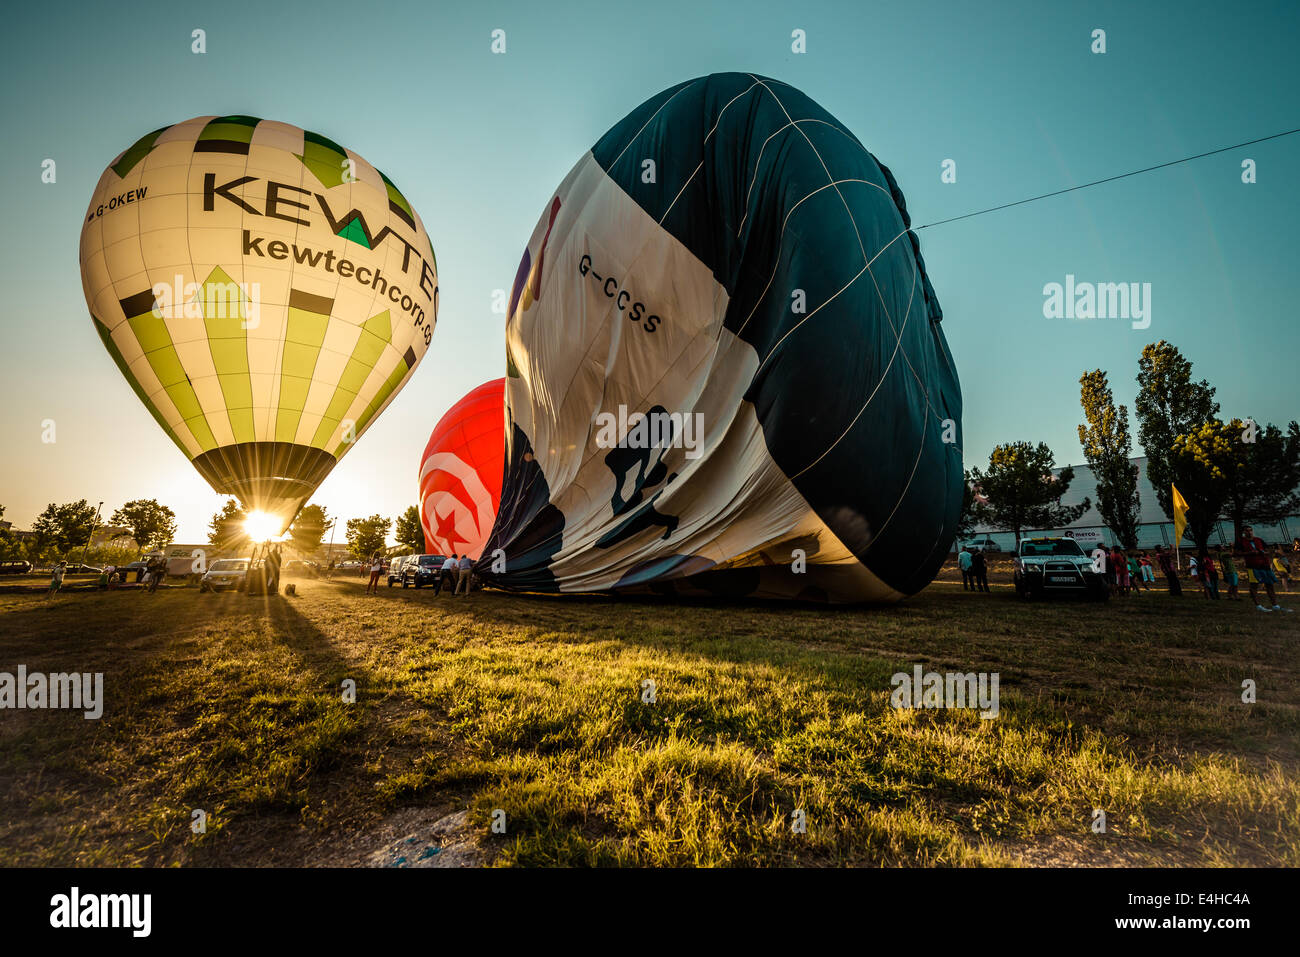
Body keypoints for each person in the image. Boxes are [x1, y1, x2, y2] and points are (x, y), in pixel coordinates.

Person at [1237, 525, 1290, 613]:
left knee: (1270, 585)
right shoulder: (1241, 542)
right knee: (1254, 585)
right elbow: (1236, 553)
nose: (1249, 532)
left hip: (1264, 565)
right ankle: (1258, 606)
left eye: (1250, 530)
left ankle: (1275, 605)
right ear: (1243, 532)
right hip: (1252, 566)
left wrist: (1264, 552)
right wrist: (1250, 553)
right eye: (1247, 531)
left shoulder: (1258, 540)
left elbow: (1267, 550)